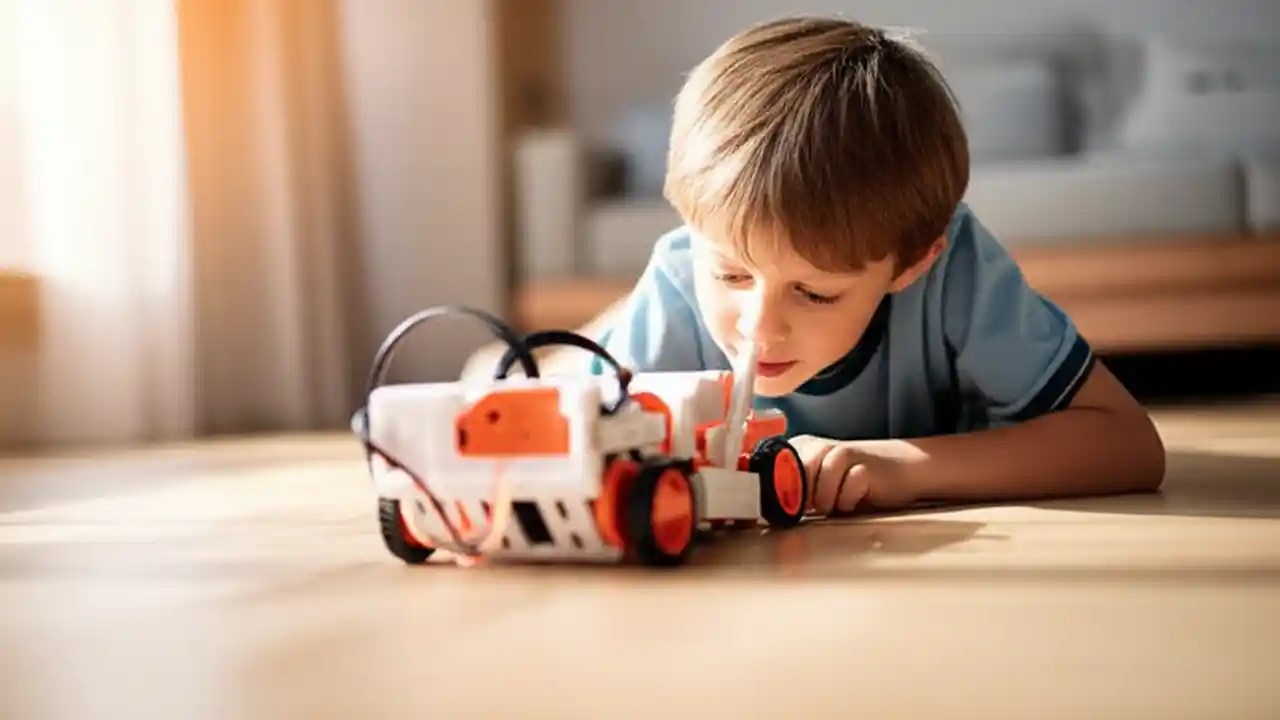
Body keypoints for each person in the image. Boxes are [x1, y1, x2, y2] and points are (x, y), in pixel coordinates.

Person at [590, 16, 1166, 514]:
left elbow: (1131, 446)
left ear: (912, 263)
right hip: (605, 343)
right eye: (733, 275)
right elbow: (574, 445)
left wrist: (907, 466)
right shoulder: (679, 274)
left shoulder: (955, 271)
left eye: (815, 294)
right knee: (558, 364)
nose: (759, 328)